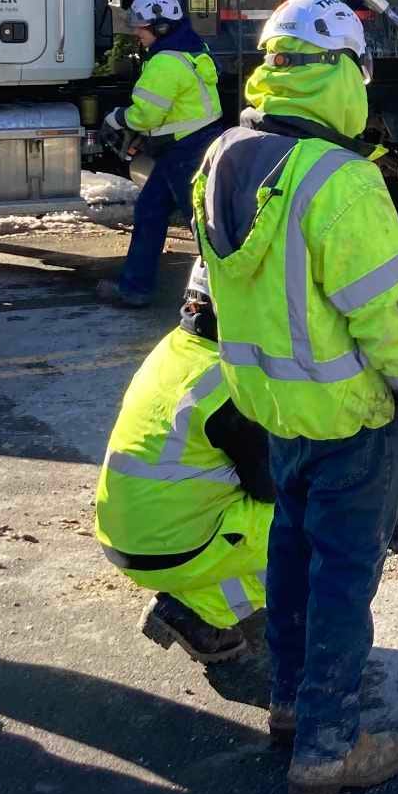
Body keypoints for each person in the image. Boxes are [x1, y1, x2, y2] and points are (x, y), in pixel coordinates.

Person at [193, 0, 398, 794]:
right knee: (344, 578)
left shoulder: (224, 155)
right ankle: (328, 746)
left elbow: (211, 292)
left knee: (291, 555)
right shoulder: (339, 180)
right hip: (348, 419)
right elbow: (394, 317)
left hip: (274, 411)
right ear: (343, 72)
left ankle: (289, 704)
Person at [95, 260, 275, 663]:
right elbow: (270, 486)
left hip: (128, 535)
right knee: (313, 522)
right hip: (169, 549)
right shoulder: (228, 385)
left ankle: (204, 588)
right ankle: (199, 613)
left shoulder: (177, 349)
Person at [97, 0, 222, 309]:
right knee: (151, 212)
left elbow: (146, 115)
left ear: (161, 27)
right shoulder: (191, 47)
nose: (137, 34)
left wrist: (117, 117)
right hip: (188, 145)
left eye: (141, 28)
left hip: (186, 151)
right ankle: (134, 288)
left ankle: (229, 293)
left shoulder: (165, 62)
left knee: (203, 224)